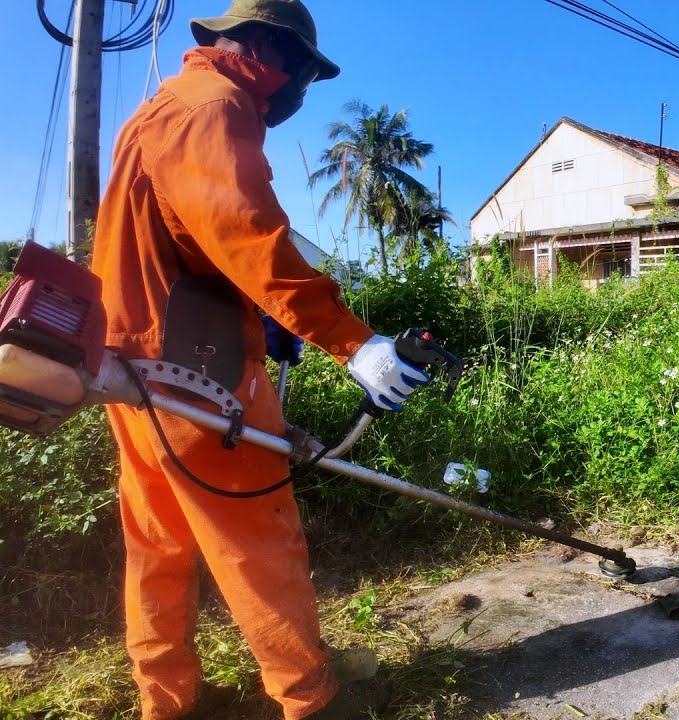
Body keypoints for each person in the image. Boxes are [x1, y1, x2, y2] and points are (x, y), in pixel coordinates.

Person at [90, 1, 427, 718]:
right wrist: (352, 341)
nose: (302, 94)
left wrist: (267, 322)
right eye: (304, 74)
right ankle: (310, 700)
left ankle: (167, 701)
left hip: (133, 369)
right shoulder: (216, 107)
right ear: (277, 59)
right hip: (198, 375)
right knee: (258, 541)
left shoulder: (164, 106)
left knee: (159, 548)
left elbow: (189, 241)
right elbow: (248, 235)